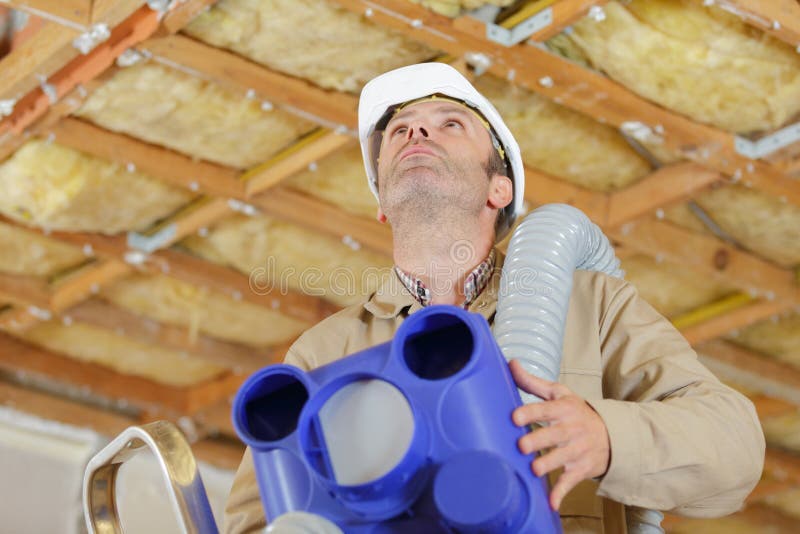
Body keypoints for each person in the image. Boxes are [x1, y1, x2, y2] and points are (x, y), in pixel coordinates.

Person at [224, 63, 765, 533]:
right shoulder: (324, 353)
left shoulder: (590, 304)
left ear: (498, 188)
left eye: (449, 125)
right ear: (383, 203)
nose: (416, 135)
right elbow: (256, 522)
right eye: (400, 132)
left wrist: (605, 437)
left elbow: (735, 447)